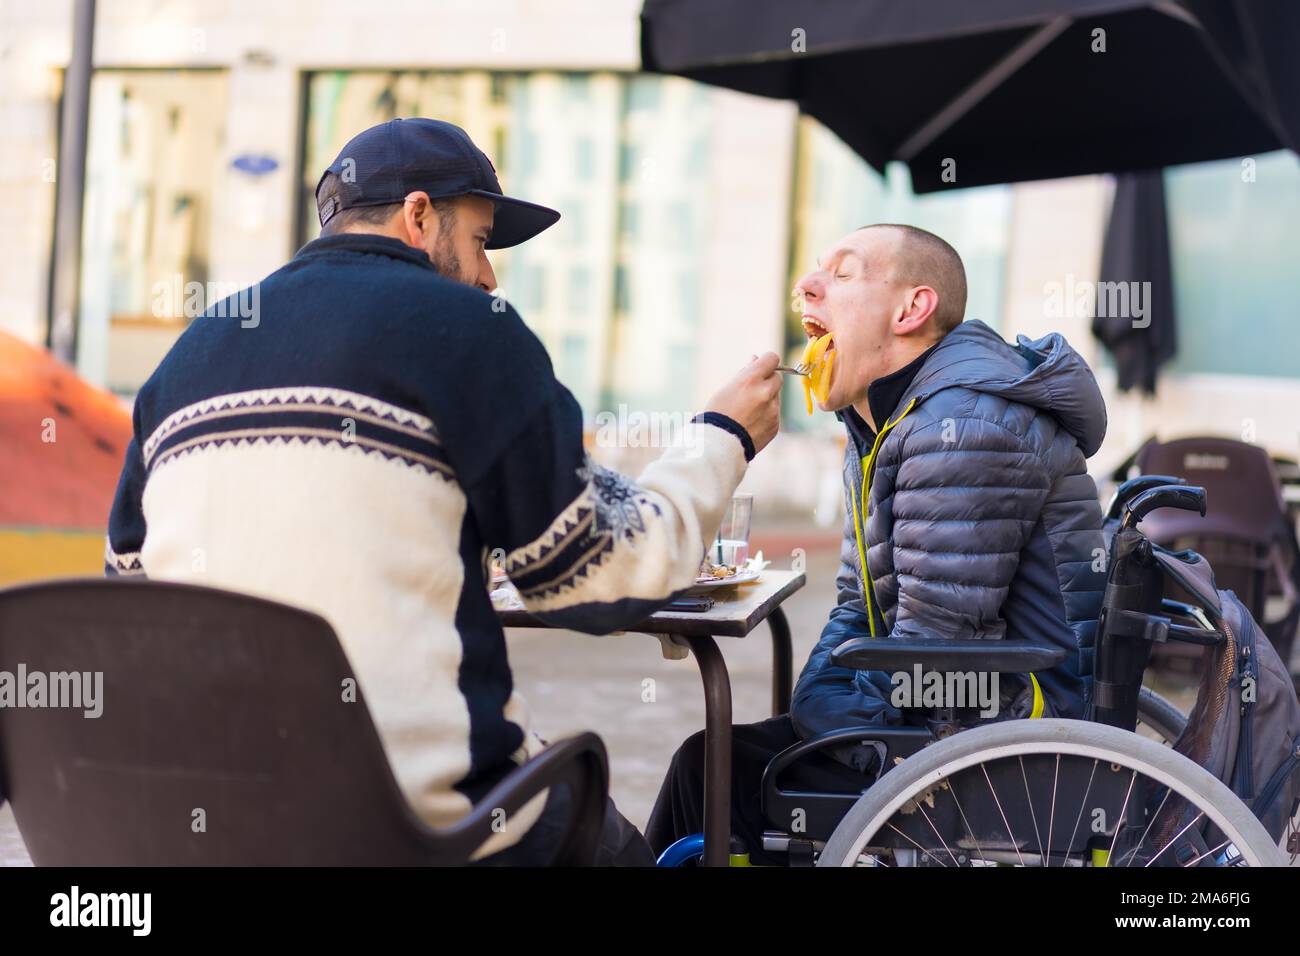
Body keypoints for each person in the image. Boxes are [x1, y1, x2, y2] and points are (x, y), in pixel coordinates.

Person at [105, 118, 783, 866]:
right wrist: (724, 434)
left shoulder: (190, 352)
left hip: (199, 808)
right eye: (483, 240)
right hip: (413, 817)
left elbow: (132, 587)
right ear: (420, 216)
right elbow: (603, 575)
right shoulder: (469, 330)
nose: (491, 276)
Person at [647, 224, 1109, 864]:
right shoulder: (881, 423)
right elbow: (855, 609)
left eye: (841, 274)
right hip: (949, 710)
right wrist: (820, 706)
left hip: (1007, 744)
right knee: (710, 762)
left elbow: (933, 656)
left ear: (911, 311)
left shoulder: (961, 425)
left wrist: (823, 717)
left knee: (714, 771)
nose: (805, 286)